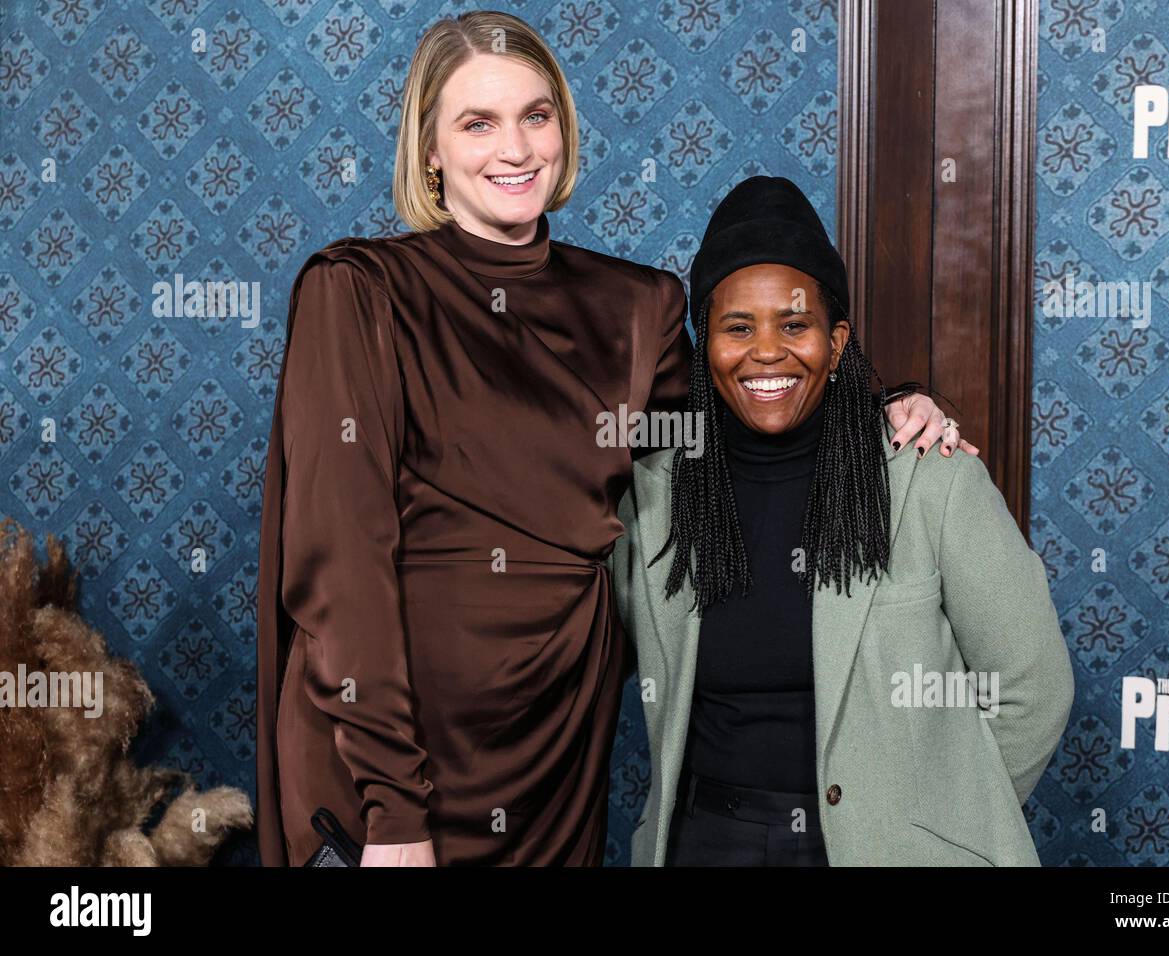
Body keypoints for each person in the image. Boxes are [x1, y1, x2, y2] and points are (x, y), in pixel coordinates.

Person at [256, 12, 966, 867]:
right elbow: (338, 563)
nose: (514, 148)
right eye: (477, 122)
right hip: (390, 762)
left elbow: (735, 427)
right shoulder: (360, 293)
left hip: (554, 749)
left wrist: (884, 401)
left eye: (536, 115)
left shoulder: (639, 308)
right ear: (430, 149)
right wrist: (394, 807)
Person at [610, 176, 1075, 866]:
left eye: (794, 325)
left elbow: (1031, 687)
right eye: (738, 328)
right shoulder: (654, 501)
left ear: (836, 340)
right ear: (704, 344)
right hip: (706, 841)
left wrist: (938, 827)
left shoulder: (928, 478)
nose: (767, 352)